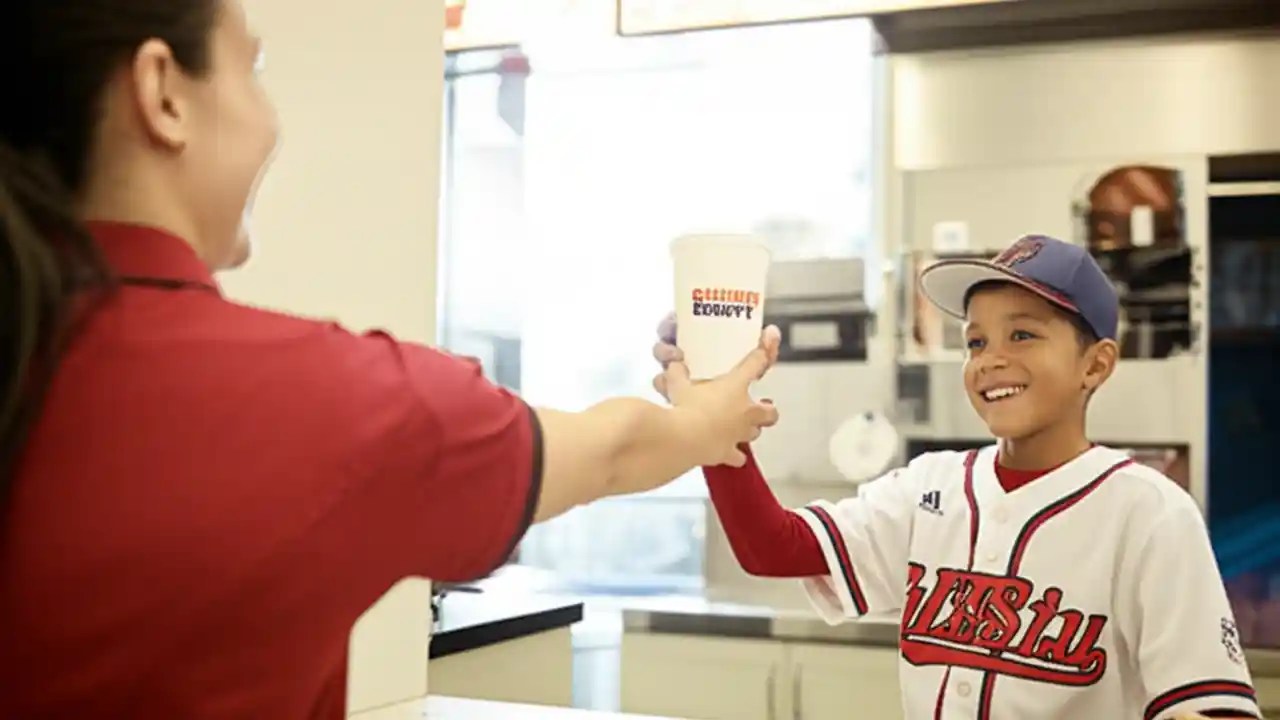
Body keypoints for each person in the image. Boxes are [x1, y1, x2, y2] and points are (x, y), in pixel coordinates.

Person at [0, 1, 779, 717]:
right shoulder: (332, 404)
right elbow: (611, 452)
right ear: (164, 94)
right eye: (252, 71)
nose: (270, 121)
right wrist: (708, 418)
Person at [652, 234, 1262, 720]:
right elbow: (771, 547)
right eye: (975, 341)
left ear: (1095, 364)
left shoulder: (1150, 512)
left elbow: (1212, 706)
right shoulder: (930, 487)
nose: (991, 358)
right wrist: (711, 415)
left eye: (1022, 334)